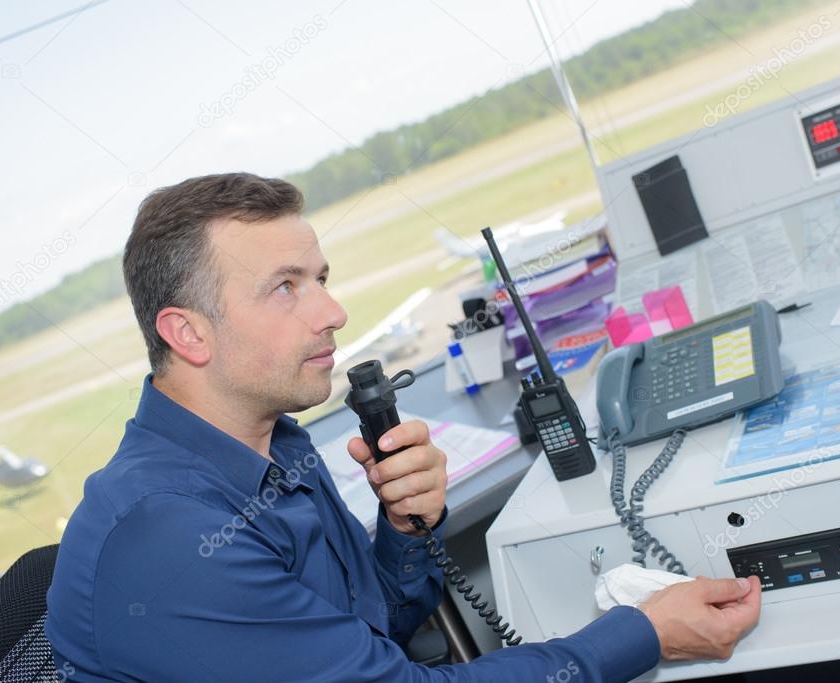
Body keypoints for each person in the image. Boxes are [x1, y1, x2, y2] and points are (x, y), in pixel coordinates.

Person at [45, 173, 761, 682]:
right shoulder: (166, 538)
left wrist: (405, 524)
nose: (332, 312)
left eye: (321, 277)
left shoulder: (274, 441)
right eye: (286, 286)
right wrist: (644, 631)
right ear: (188, 334)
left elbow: (376, 620)